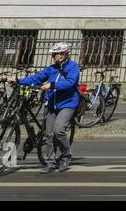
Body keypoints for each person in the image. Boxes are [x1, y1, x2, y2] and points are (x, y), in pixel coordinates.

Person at [15, 42, 80, 173]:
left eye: (55, 54)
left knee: (59, 131)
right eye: (53, 54)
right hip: (52, 104)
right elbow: (37, 78)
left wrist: (52, 85)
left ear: (64, 54)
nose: (53, 57)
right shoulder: (51, 69)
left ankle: (66, 155)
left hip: (67, 103)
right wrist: (18, 81)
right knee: (49, 135)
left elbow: (70, 82)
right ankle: (51, 162)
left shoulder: (73, 66)